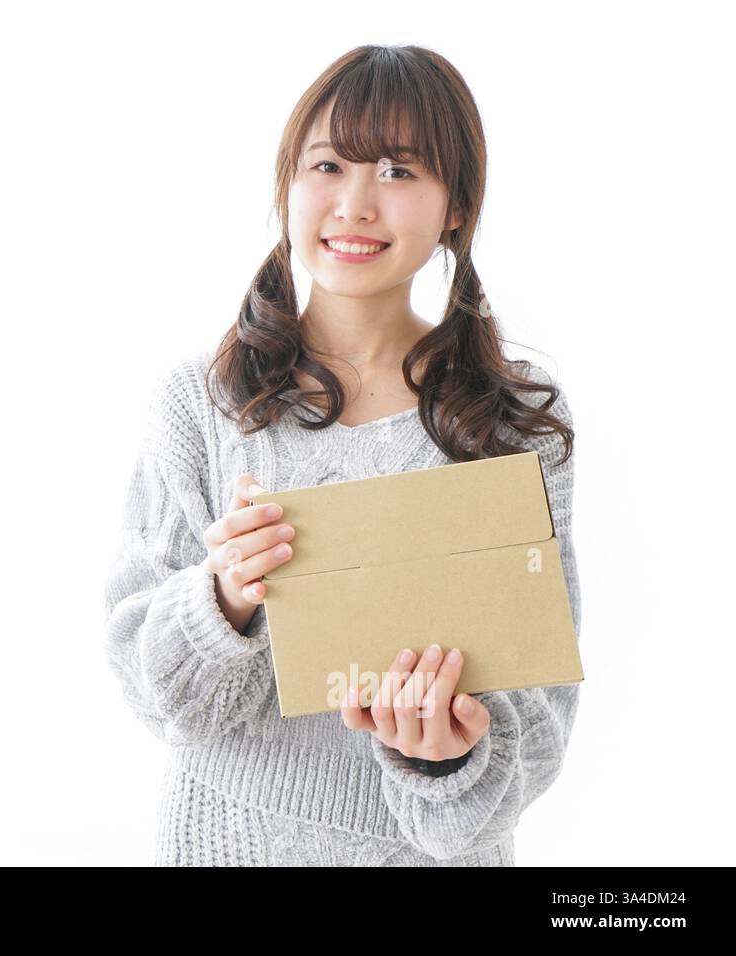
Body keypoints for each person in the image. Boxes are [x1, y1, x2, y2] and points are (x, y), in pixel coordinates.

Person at [102, 44, 581, 866]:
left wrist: (448, 755)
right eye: (328, 164)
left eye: (399, 171)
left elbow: (539, 721)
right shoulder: (202, 404)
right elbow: (157, 699)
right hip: (228, 843)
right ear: (287, 183)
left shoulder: (510, 417)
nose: (355, 204)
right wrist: (221, 601)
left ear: (456, 206)